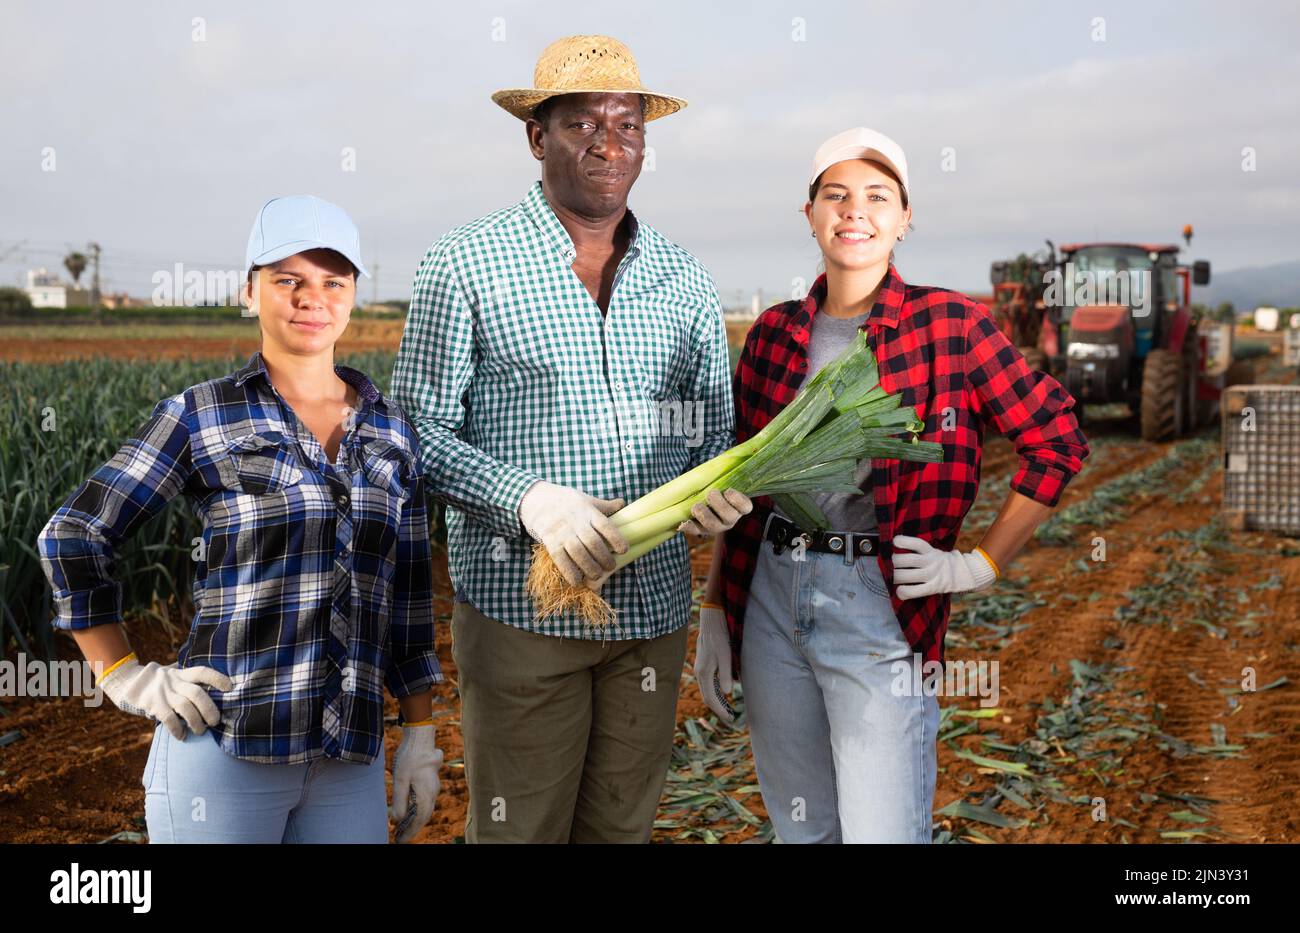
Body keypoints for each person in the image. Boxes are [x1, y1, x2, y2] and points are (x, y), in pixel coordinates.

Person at [391, 34, 750, 843]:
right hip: (523, 611)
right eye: (583, 121)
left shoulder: (682, 277)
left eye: (627, 123)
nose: (609, 140)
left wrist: (710, 491)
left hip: (650, 614)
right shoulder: (467, 262)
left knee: (620, 832)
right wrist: (529, 501)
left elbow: (709, 428)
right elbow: (413, 433)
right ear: (536, 136)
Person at [695, 127, 1090, 843]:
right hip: (772, 602)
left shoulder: (952, 325)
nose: (856, 210)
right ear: (810, 214)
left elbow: (1056, 438)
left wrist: (979, 563)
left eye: (878, 196)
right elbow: (741, 481)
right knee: (802, 830)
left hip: (879, 604)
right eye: (836, 195)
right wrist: (718, 605)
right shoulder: (773, 334)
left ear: (906, 217)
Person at [38, 195, 444, 843]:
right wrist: (123, 675)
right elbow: (74, 532)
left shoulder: (391, 428)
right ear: (250, 292)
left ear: (353, 294)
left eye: (332, 281)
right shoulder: (203, 413)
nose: (312, 298)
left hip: (350, 759)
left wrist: (419, 732)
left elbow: (410, 597)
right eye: (289, 281)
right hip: (226, 748)